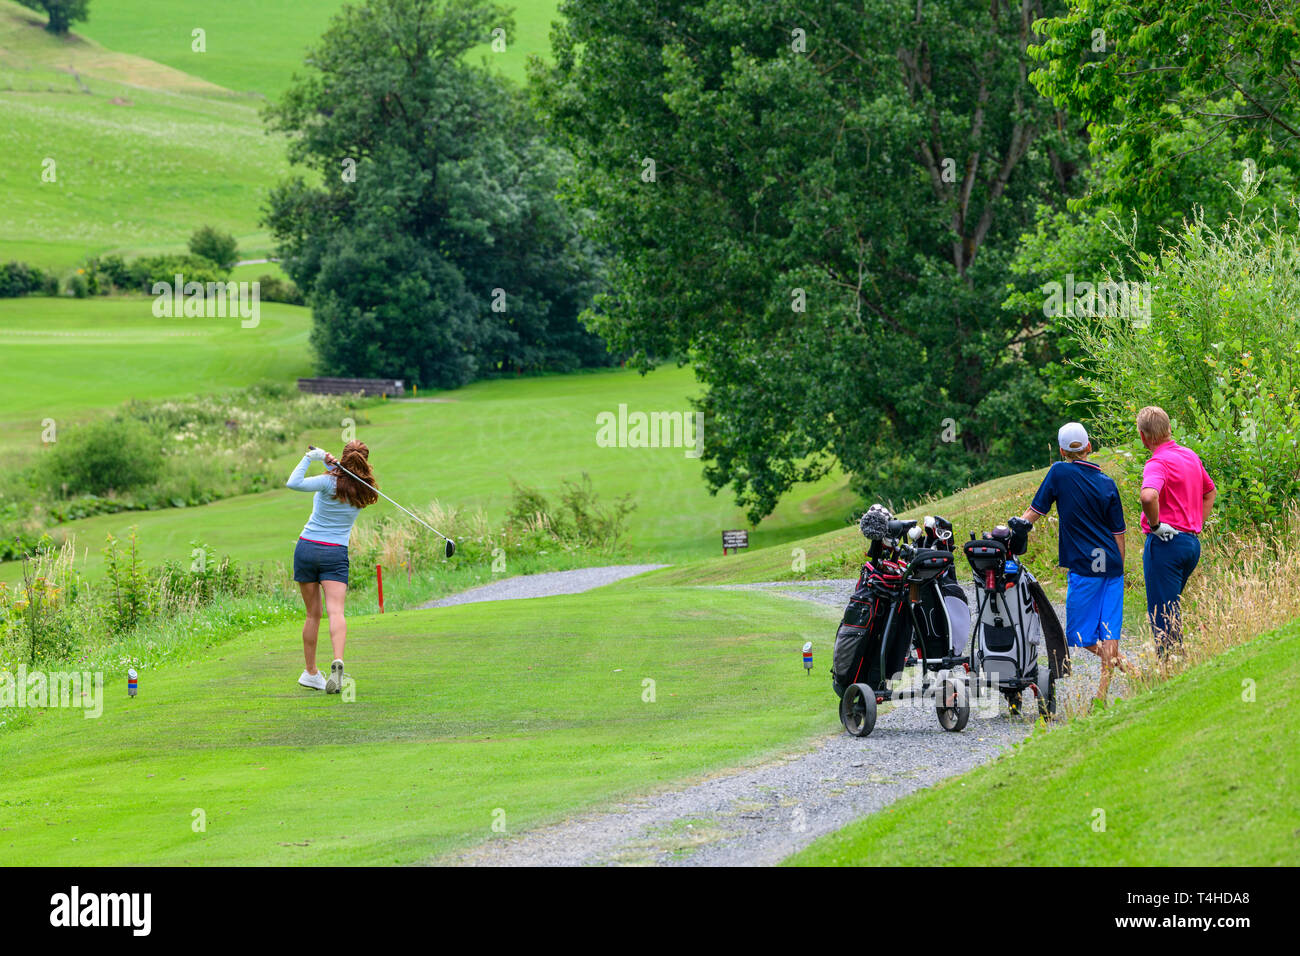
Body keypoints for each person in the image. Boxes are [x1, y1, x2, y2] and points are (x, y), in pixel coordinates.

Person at [1018, 422, 1138, 706]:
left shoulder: (1059, 472)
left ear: (1061, 451)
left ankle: (1126, 677)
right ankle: (1108, 690)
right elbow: (1118, 532)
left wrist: (1015, 528)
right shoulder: (1107, 483)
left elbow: (1036, 511)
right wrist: (1119, 566)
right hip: (1110, 563)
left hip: (1085, 567)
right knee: (1109, 631)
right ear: (1089, 448)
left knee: (1079, 636)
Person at [285, 441, 378, 693]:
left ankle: (311, 672)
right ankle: (338, 660)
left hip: (307, 548)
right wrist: (331, 466)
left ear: (344, 460)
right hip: (335, 553)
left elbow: (293, 483)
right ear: (364, 463)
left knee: (312, 614)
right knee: (336, 612)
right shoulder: (364, 490)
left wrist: (310, 457)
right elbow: (345, 482)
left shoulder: (328, 482)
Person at [1136, 406, 1215, 662]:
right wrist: (1195, 524)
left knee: (1162, 612)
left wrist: (1156, 525)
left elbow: (1148, 496)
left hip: (1166, 545)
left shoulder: (1157, 462)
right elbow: (1210, 491)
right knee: (1171, 607)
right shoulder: (1189, 456)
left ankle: (1171, 667)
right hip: (1190, 544)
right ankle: (1175, 661)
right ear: (1169, 428)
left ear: (1143, 436)